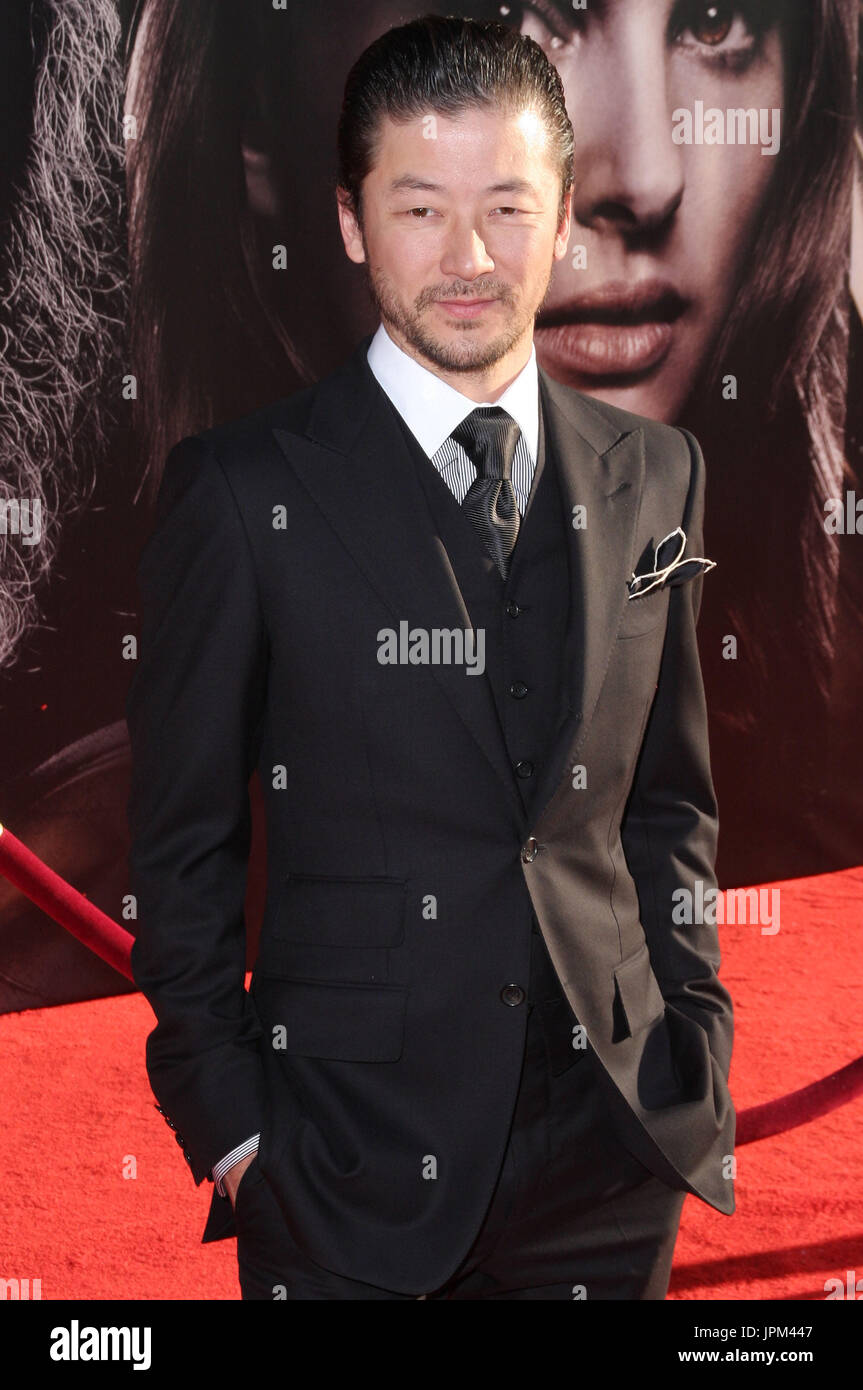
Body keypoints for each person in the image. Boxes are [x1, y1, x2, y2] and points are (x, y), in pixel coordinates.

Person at [126, 15, 734, 1300]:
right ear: (349, 223)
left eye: (507, 207)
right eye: (419, 210)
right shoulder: (242, 495)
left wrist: (691, 1033)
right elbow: (178, 857)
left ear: (562, 215)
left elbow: (666, 800)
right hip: (343, 1167)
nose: (467, 260)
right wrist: (237, 1135)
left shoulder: (657, 473)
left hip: (610, 1158)